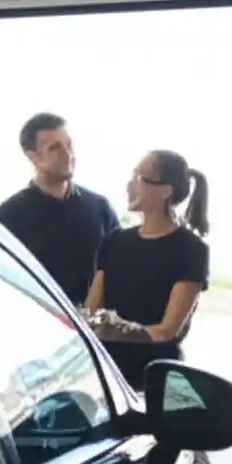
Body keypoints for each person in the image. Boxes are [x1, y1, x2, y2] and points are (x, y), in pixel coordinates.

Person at [83, 150, 210, 390]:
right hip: (105, 372)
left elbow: (168, 330)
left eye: (138, 177)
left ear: (165, 191)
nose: (129, 185)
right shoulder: (115, 241)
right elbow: (91, 310)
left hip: (153, 377)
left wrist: (121, 331)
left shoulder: (191, 250)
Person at [0, 113, 121, 303]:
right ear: (33, 157)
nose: (68, 154)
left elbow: (122, 269)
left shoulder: (99, 207)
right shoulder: (7, 217)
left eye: (69, 145)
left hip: (98, 328)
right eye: (55, 148)